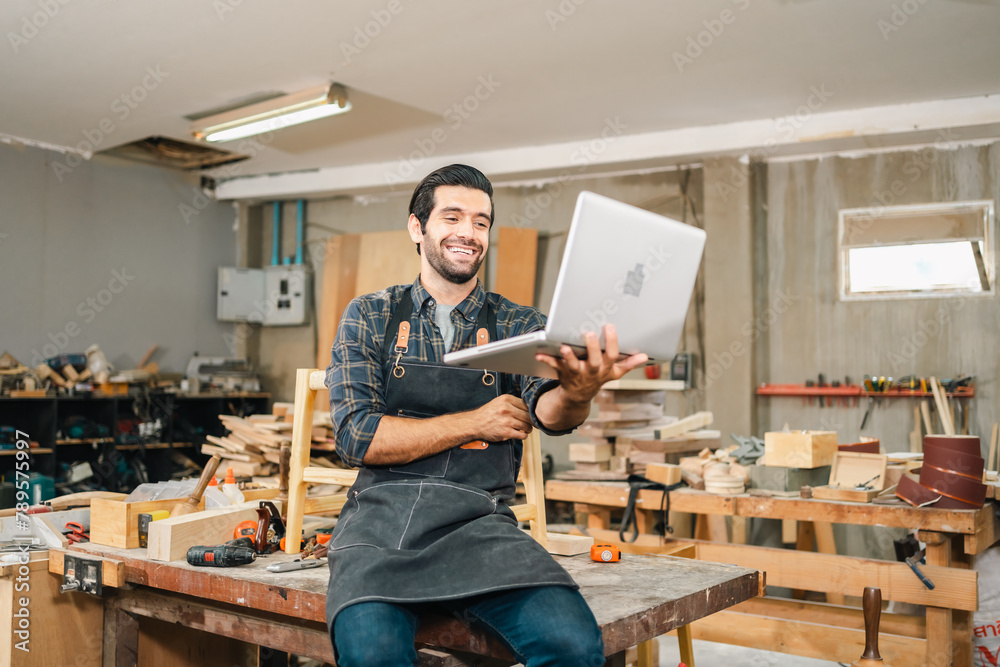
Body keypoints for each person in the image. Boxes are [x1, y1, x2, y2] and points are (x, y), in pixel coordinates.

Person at [325, 164, 648, 666]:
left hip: (480, 525)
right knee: (372, 655)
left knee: (574, 645)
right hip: (380, 531)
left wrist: (578, 392)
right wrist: (475, 422)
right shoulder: (370, 315)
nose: (468, 233)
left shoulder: (520, 323)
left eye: (481, 222)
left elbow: (550, 410)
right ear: (418, 227)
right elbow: (355, 437)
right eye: (452, 217)